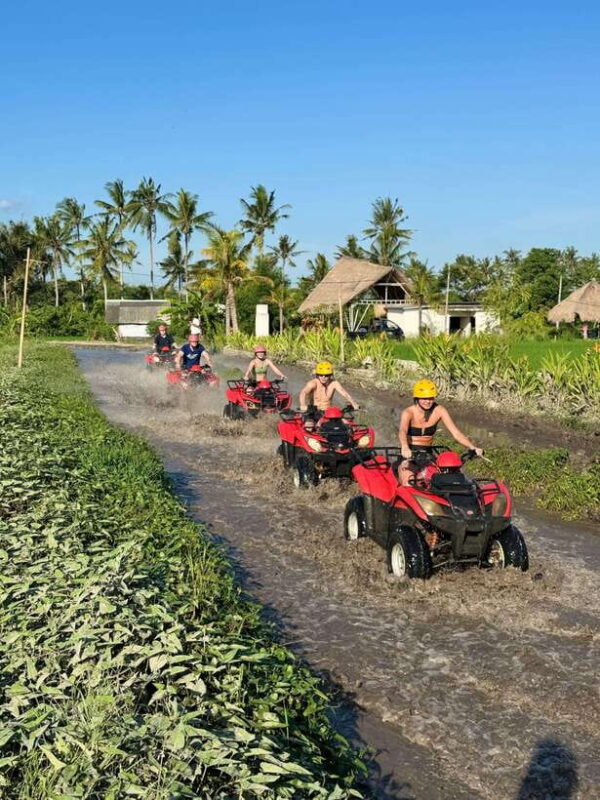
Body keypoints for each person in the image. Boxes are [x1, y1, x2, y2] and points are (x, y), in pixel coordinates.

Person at [398, 379, 483, 486]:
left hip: (428, 455)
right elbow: (402, 431)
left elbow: (455, 433)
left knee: (447, 479)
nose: (428, 401)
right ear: (417, 398)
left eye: (431, 398)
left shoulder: (439, 410)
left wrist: (472, 447)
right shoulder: (408, 412)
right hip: (409, 455)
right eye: (424, 398)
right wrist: (405, 447)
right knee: (408, 482)